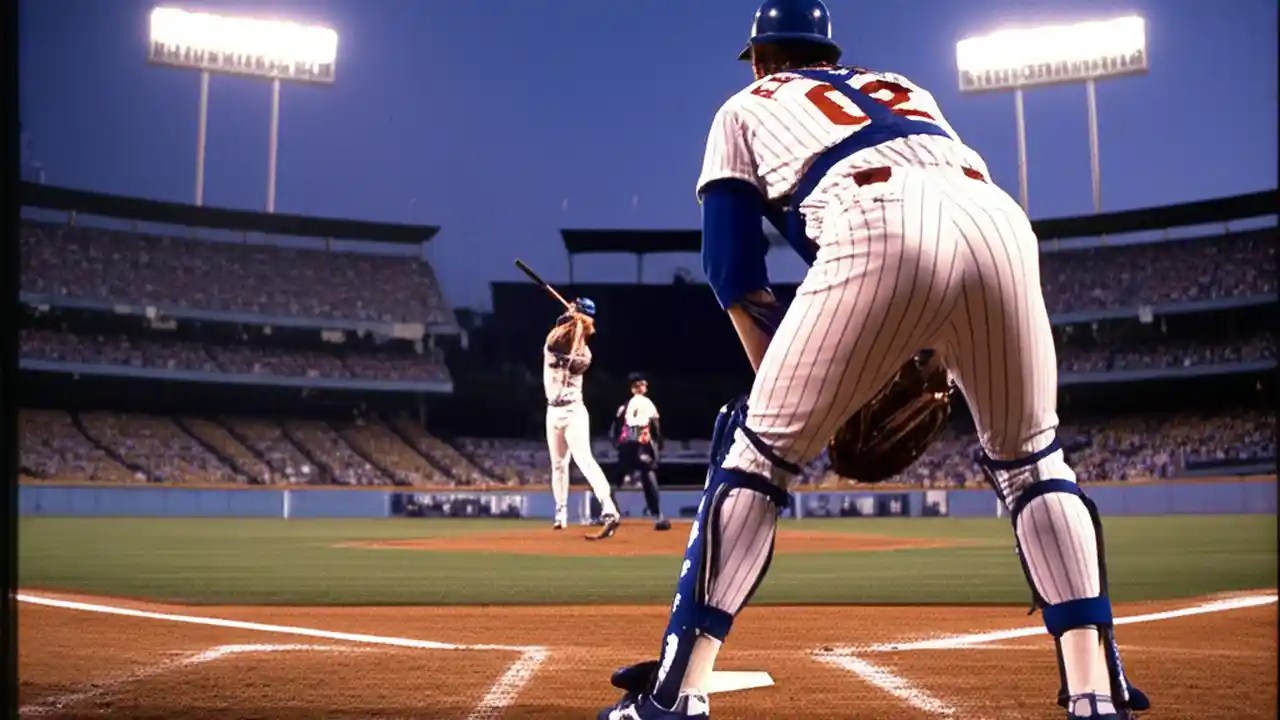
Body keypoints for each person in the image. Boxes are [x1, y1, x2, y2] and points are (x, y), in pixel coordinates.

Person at [597, 1, 1148, 718]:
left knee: (755, 451)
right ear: (830, 54)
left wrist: (797, 407)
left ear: (760, 58)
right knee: (1032, 462)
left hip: (876, 217)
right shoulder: (905, 86)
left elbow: (732, 269)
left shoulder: (743, 105)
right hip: (1000, 222)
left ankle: (676, 693)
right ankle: (1095, 689)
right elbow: (944, 234)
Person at [543, 298, 620, 540]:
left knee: (584, 460)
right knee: (558, 464)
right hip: (552, 410)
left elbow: (570, 348)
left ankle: (609, 508)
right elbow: (557, 338)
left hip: (574, 411)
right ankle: (560, 513)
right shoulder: (555, 339)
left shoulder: (585, 354)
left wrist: (574, 317)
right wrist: (571, 315)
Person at [610, 373, 670, 531]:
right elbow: (655, 425)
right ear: (635, 388)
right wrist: (658, 443)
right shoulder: (647, 402)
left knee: (619, 474)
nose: (643, 387)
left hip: (627, 437)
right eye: (641, 385)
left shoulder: (625, 404)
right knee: (648, 473)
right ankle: (657, 515)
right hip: (640, 435)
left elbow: (616, 425)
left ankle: (607, 511)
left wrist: (618, 443)